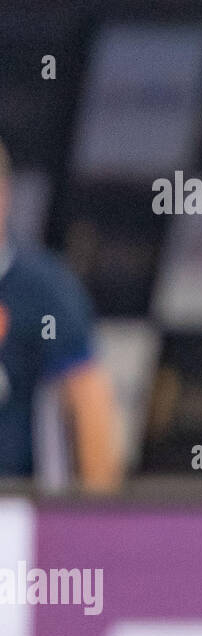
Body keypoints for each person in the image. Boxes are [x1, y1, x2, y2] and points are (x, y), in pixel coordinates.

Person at [0, 137, 122, 493]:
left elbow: (89, 397)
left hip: (18, 508)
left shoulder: (45, 288)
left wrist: (97, 522)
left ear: (5, 194)